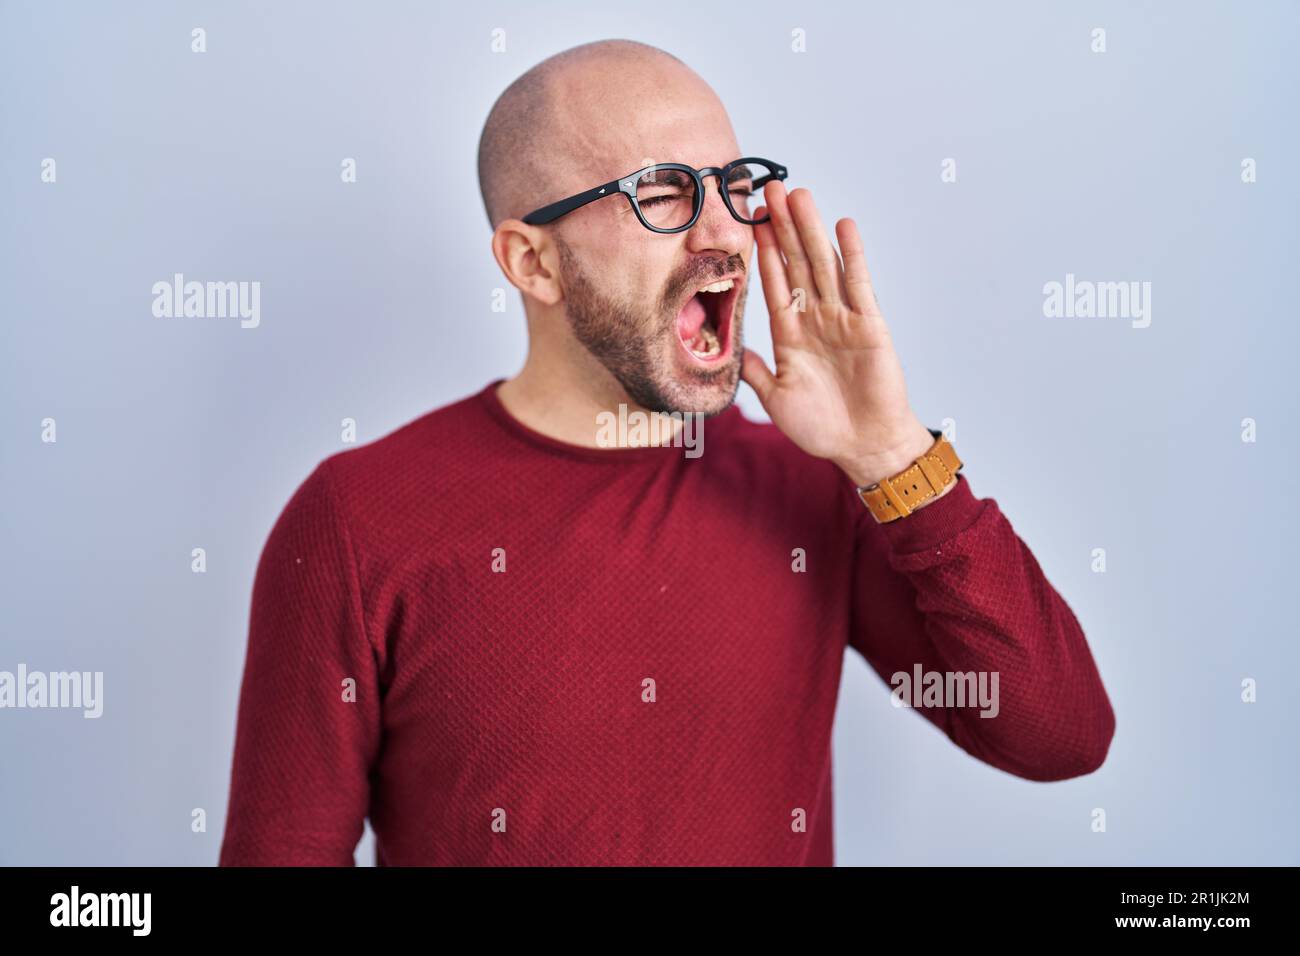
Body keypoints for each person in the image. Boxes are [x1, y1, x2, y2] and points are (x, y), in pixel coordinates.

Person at [219, 39, 1114, 866]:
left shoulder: (810, 488)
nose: (724, 232)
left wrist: (890, 455)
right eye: (663, 192)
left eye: (733, 186)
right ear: (532, 262)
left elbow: (1060, 736)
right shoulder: (357, 518)